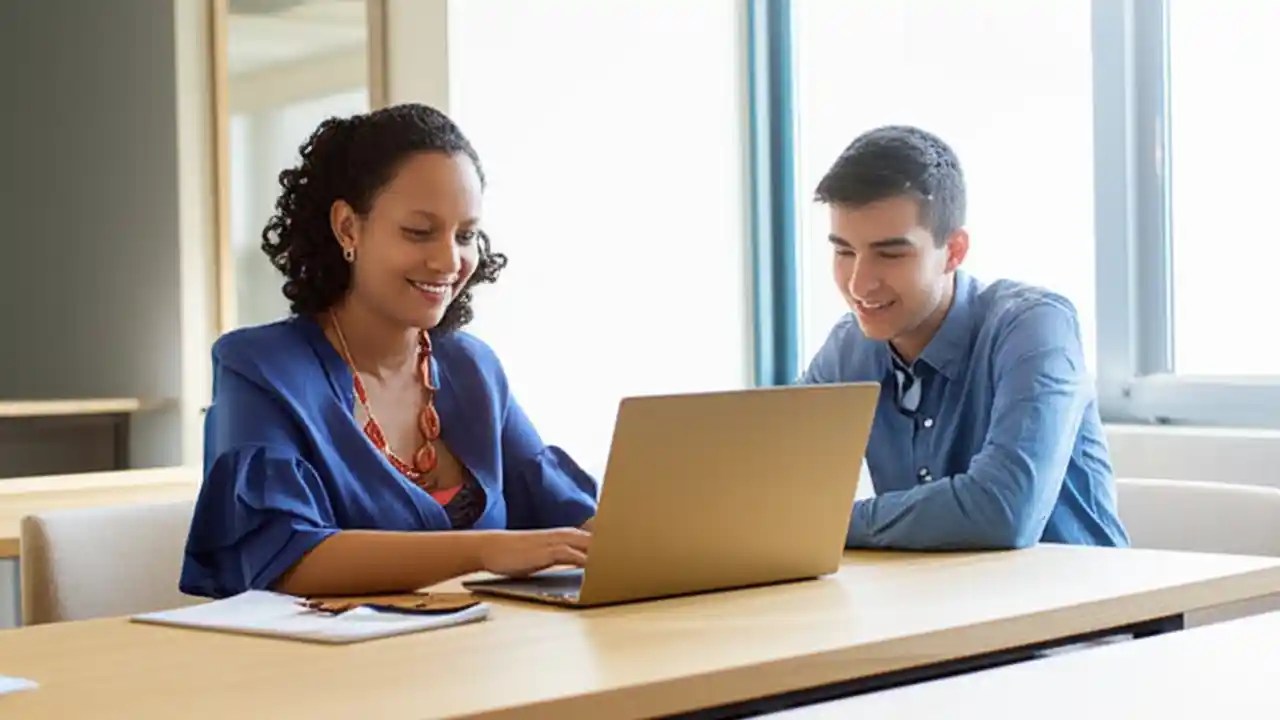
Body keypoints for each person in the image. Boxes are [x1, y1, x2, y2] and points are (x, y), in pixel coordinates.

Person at [180, 104, 597, 599]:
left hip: (478, 661)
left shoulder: (472, 368)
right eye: (419, 232)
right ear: (347, 228)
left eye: (465, 235)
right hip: (325, 671)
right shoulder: (259, 370)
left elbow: (568, 517)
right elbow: (284, 559)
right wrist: (485, 550)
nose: (449, 260)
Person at [801, 125, 1128, 551]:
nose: (860, 285)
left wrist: (832, 524)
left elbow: (1003, 511)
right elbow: (779, 491)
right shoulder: (848, 349)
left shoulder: (1036, 326)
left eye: (890, 254)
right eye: (844, 252)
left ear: (953, 251)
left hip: (1086, 611)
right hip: (942, 607)